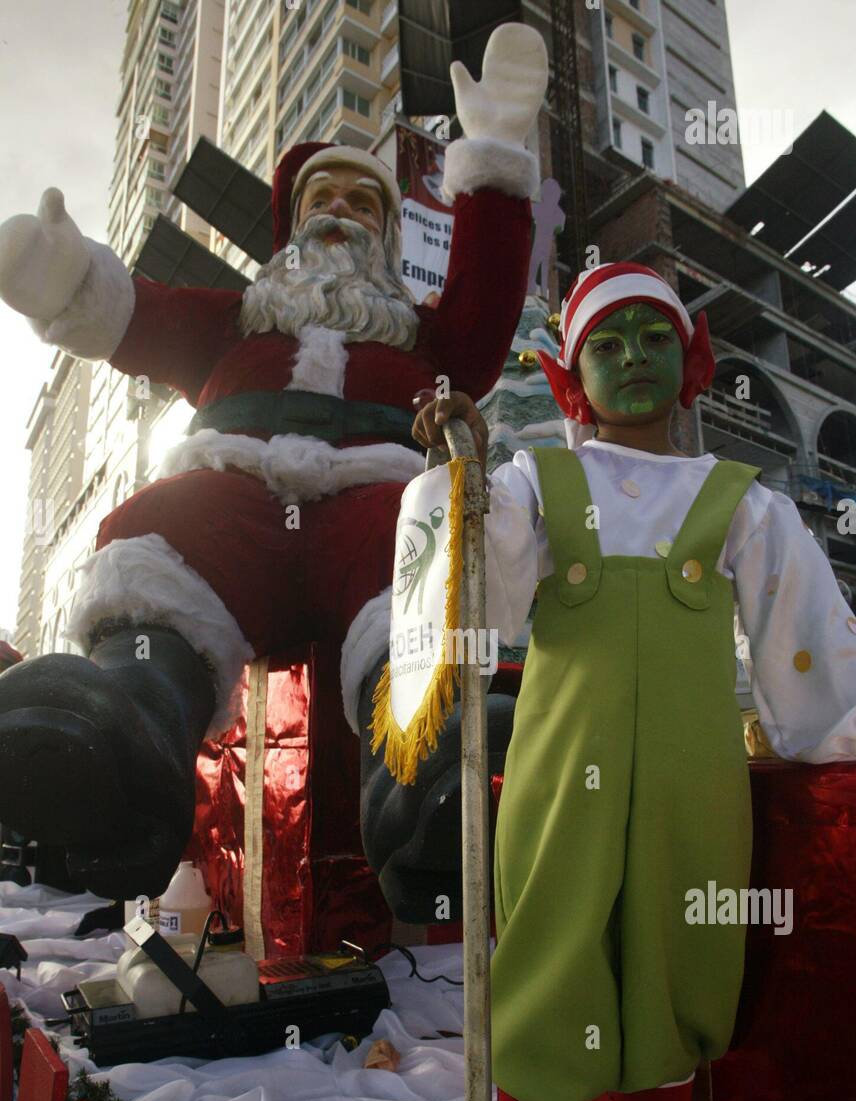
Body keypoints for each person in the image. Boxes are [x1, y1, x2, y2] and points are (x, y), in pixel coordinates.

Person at [0, 25, 548, 933]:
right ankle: (129, 733)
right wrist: (67, 280)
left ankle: (424, 771)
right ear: (293, 227)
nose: (340, 209)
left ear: (385, 230)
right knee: (163, 531)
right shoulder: (237, 321)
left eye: (362, 201)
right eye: (322, 198)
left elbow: (487, 313)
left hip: (374, 499)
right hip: (232, 498)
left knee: (425, 544)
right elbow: (137, 314)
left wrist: (489, 171)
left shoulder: (423, 336)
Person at [412, 260, 856, 1101]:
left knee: (673, 986)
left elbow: (804, 645)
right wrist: (462, 485)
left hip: (692, 796)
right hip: (553, 790)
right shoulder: (540, 484)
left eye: (653, 337)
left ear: (692, 361)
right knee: (546, 984)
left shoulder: (743, 504)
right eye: (608, 343)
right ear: (573, 372)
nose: (632, 359)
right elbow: (478, 614)